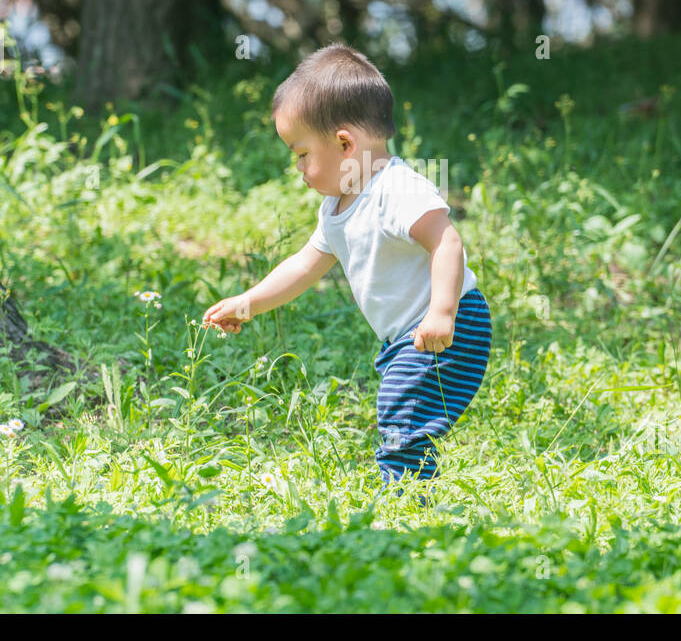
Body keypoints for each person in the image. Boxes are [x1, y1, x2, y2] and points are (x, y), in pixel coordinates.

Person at [202, 44, 491, 506]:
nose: (297, 168)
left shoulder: (396, 189)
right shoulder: (336, 206)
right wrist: (248, 302)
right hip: (406, 336)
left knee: (401, 410)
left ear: (344, 144)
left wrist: (442, 311)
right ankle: (411, 491)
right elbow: (304, 265)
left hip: (451, 325)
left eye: (300, 155)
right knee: (404, 411)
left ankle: (405, 498)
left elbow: (447, 242)